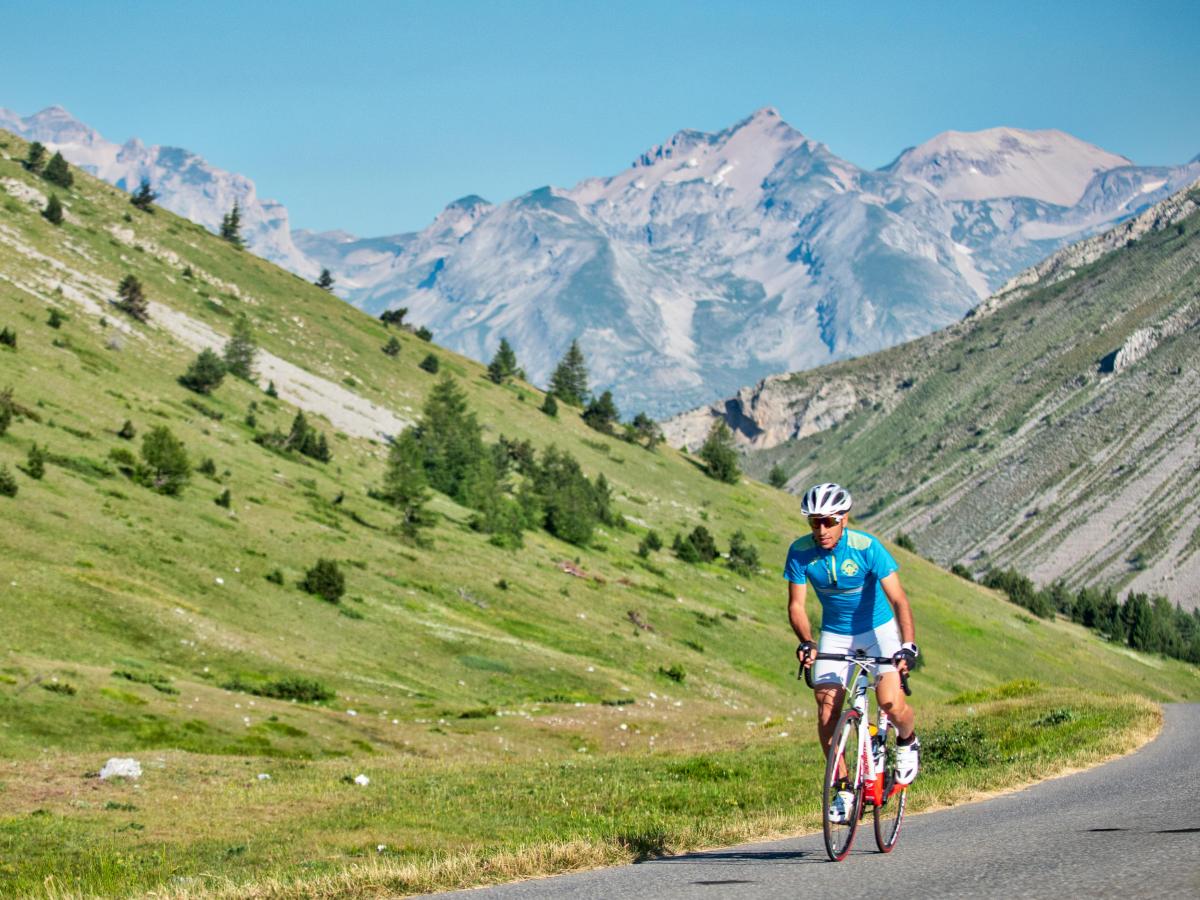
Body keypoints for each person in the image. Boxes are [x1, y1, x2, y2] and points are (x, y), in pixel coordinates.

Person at [784, 482, 920, 821]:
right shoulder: (800, 552)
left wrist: (907, 646)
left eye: (828, 521)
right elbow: (797, 605)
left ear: (844, 518)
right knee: (827, 709)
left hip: (878, 631)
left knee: (889, 700)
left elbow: (899, 599)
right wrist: (806, 641)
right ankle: (844, 788)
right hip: (835, 634)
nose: (821, 529)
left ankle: (907, 740)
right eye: (815, 521)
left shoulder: (866, 547)